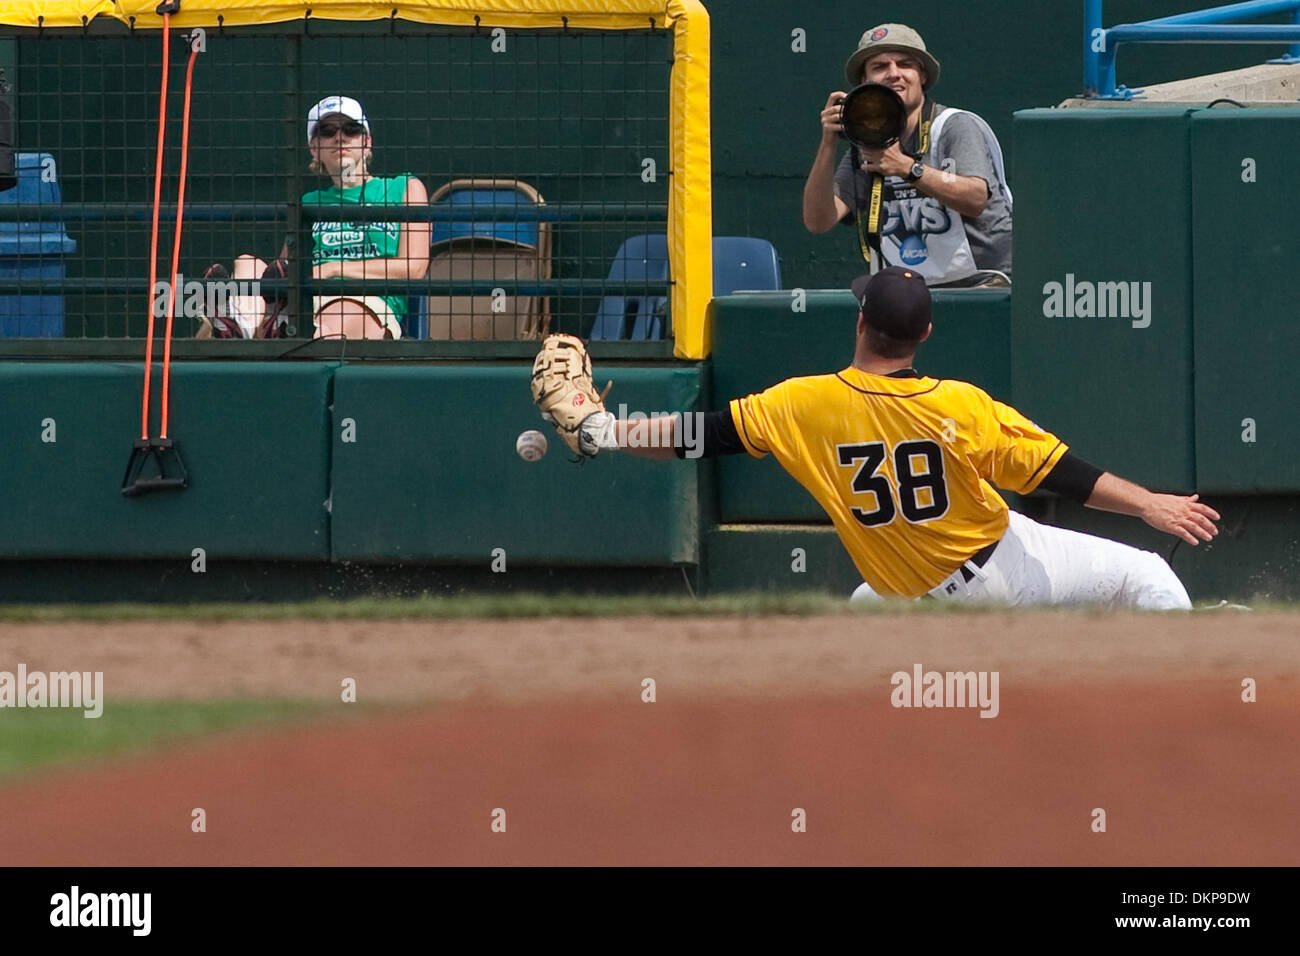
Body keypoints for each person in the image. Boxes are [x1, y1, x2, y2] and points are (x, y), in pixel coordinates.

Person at [531, 269, 1219, 609]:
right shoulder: (959, 404)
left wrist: (604, 429)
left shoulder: (803, 403)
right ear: (924, 335)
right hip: (996, 573)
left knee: (867, 620)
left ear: (860, 324)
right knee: (1149, 577)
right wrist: (1150, 505)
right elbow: (1059, 473)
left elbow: (694, 437)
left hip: (915, 596)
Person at [198, 95, 430, 340]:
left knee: (333, 315)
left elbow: (413, 267)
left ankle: (272, 332)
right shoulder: (309, 203)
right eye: (327, 131)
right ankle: (241, 328)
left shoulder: (404, 187)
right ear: (314, 148)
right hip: (307, 296)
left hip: (366, 299)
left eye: (351, 129)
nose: (339, 137)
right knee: (248, 264)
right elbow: (282, 271)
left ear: (367, 141)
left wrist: (332, 269)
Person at [802, 24, 1013, 287]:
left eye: (904, 64)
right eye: (879, 67)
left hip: (985, 283)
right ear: (865, 83)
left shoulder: (953, 126)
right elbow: (818, 221)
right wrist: (828, 142)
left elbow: (975, 198)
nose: (893, 74)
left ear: (922, 75)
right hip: (912, 290)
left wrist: (907, 168)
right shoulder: (866, 145)